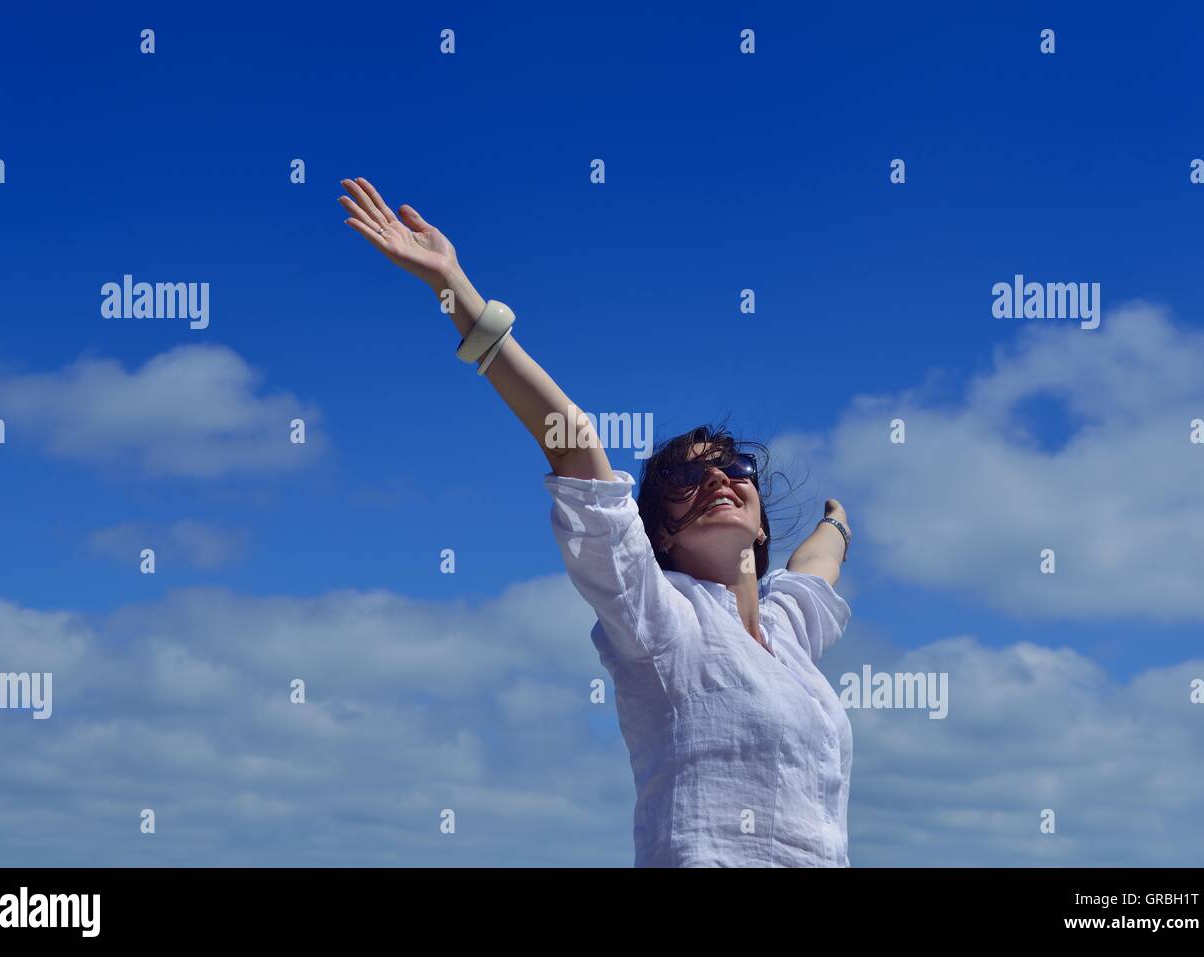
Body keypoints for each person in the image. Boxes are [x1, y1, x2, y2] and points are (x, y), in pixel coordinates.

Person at [339, 177, 854, 866]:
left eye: (733, 470)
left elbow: (814, 570)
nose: (715, 481)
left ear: (762, 523)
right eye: (683, 477)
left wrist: (838, 524)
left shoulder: (787, 633)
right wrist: (455, 288)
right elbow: (572, 442)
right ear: (659, 532)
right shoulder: (663, 620)